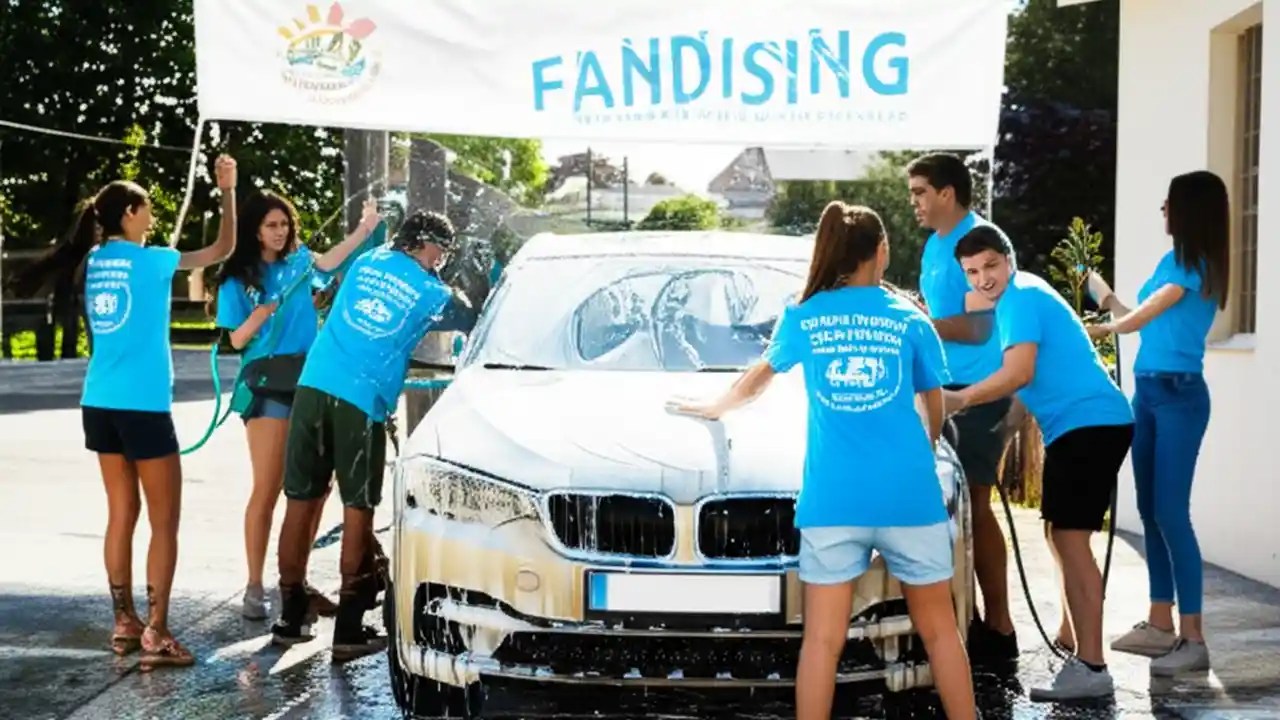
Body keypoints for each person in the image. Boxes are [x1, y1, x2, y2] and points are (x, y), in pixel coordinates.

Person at [669, 202, 977, 720]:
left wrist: (715, 407)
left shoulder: (804, 315)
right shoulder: (910, 318)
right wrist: (923, 451)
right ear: (882, 252)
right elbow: (935, 402)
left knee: (822, 642)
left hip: (834, 502)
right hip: (910, 499)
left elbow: (757, 379)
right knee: (941, 632)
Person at [946, 225, 1134, 701]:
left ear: (1007, 259)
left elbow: (1019, 372)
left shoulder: (1019, 298)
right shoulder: (1022, 295)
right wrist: (1004, 434)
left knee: (1070, 539)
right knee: (1059, 534)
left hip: (1088, 425)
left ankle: (1092, 667)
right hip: (1088, 424)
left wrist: (958, 400)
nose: (984, 278)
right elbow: (1026, 388)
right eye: (972, 272)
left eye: (990, 265)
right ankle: (1073, 643)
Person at [271, 209, 458, 662]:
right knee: (358, 508)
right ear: (426, 243)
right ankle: (351, 627)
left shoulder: (369, 259)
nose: (441, 261)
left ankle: (290, 615)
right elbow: (454, 329)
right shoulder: (432, 290)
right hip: (360, 400)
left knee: (300, 499)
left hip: (314, 385)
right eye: (441, 251)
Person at [77, 156, 238, 669]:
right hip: (143, 405)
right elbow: (223, 248)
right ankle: (158, 631)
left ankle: (123, 623)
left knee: (120, 514)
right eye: (147, 210)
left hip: (98, 401)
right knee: (165, 521)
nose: (152, 218)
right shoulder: (152, 262)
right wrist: (227, 191)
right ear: (129, 212)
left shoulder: (93, 261)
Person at [1083, 170, 1230, 675]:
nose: (1163, 210)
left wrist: (1104, 325)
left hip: (1179, 396)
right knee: (1148, 509)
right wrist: (1102, 296)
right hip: (1147, 391)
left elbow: (1138, 318)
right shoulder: (1171, 262)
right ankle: (1159, 623)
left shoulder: (1196, 264)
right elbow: (1134, 312)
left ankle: (1194, 639)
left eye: (1170, 203)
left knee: (1171, 512)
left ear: (1190, 210)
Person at [212, 191, 385, 621]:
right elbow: (234, 340)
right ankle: (255, 586)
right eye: (272, 224)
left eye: (285, 223)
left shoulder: (301, 261)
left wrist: (365, 229)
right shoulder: (238, 278)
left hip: (310, 382)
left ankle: (296, 583)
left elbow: (330, 263)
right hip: (267, 386)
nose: (280, 231)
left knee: (313, 491)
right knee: (268, 488)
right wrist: (260, 316)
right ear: (255, 229)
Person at [906, 152, 1020, 663]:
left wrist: (915, 323)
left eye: (920, 192)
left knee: (974, 502)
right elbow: (946, 311)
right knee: (953, 507)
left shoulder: (982, 242)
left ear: (947, 193)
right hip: (944, 387)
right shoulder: (935, 246)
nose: (915, 203)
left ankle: (999, 628)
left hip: (980, 389)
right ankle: (967, 618)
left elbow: (979, 326)